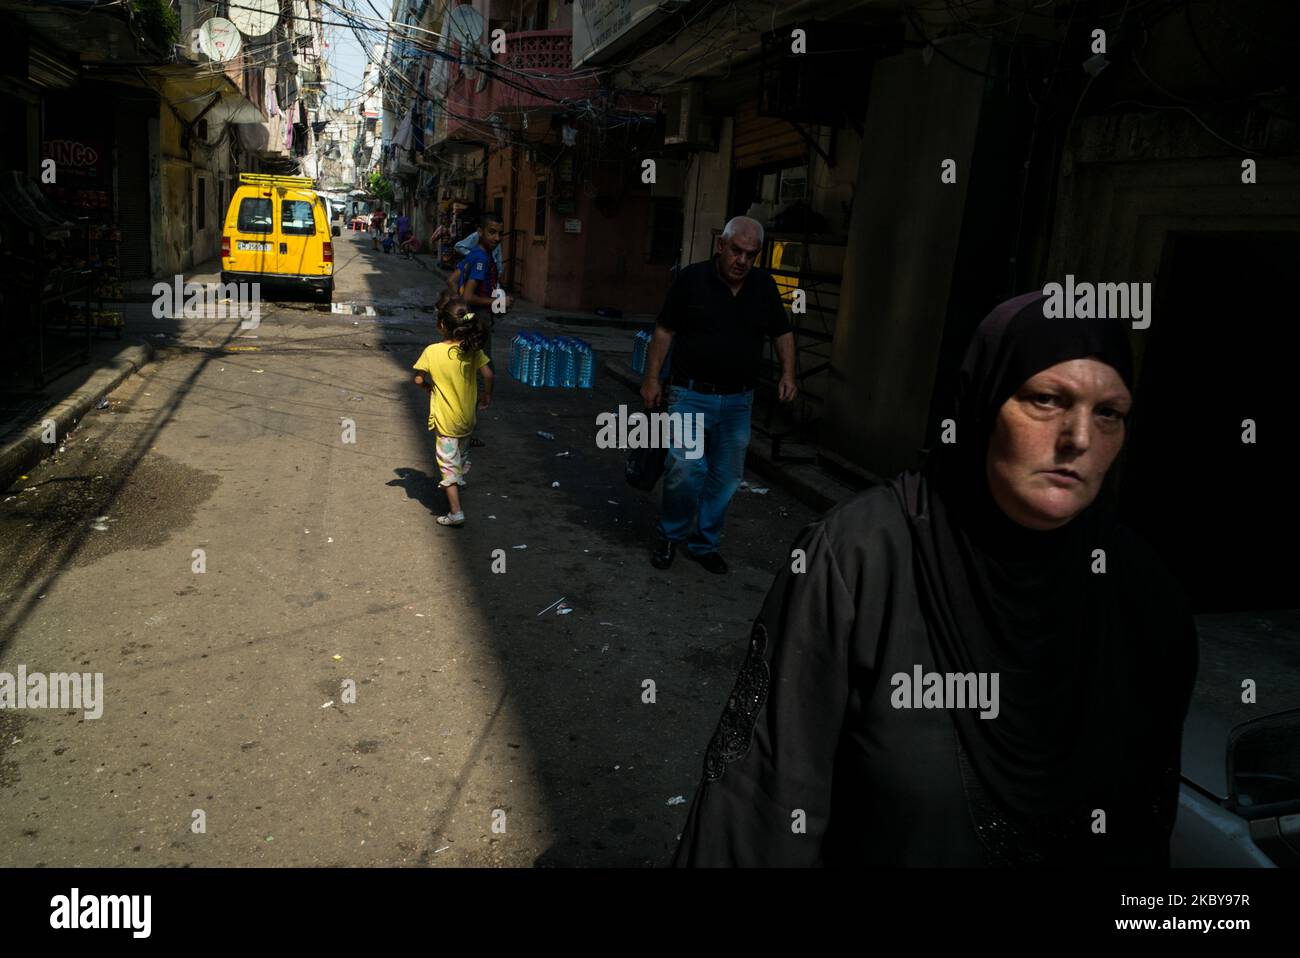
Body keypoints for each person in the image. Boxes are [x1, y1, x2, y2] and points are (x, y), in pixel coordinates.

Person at [670, 292, 1198, 867]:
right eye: (1047, 400)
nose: (1078, 439)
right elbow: (760, 813)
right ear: (982, 403)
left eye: (1109, 414)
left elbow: (1146, 828)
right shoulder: (860, 563)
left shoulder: (1143, 597)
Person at [641, 216, 796, 575]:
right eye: (737, 251)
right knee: (685, 468)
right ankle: (670, 534)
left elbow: (782, 332)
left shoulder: (763, 286)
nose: (742, 261)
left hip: (739, 401)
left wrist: (789, 373)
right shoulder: (691, 280)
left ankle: (705, 543)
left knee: (726, 476)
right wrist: (652, 379)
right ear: (721, 246)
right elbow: (664, 331)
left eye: (751, 255)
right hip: (690, 394)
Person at [411, 292, 494, 527]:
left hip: (445, 422)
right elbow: (488, 374)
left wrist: (428, 386)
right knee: (462, 449)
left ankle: (456, 512)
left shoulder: (432, 352)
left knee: (447, 466)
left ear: (441, 325)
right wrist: (487, 395)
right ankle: (461, 470)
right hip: (468, 419)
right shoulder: (472, 350)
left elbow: (417, 380)